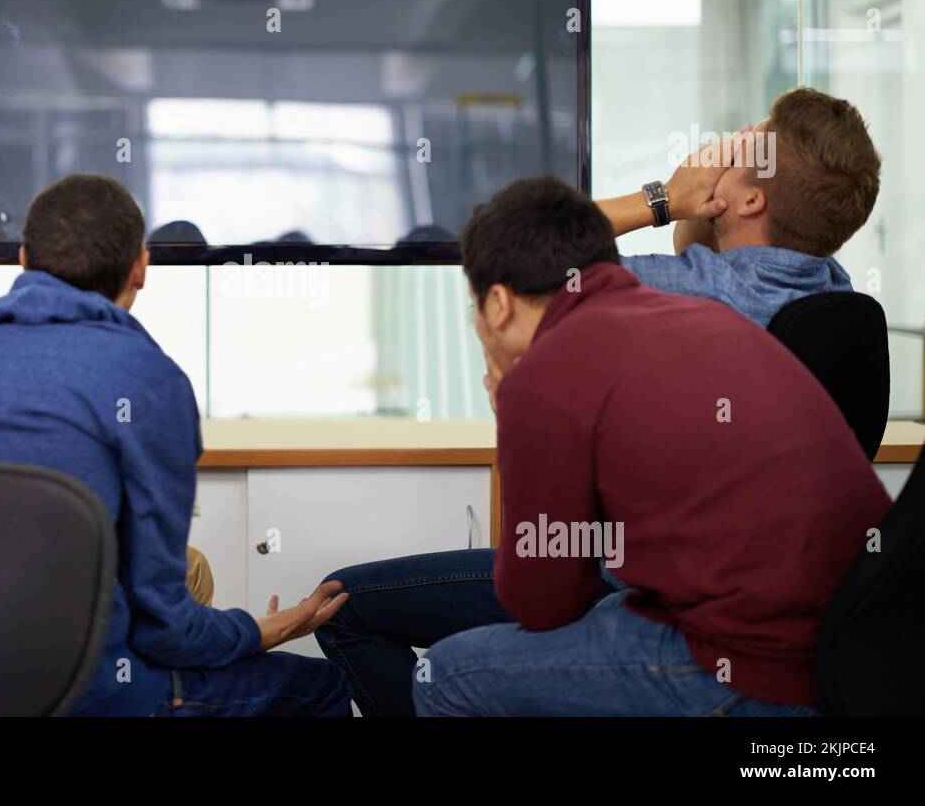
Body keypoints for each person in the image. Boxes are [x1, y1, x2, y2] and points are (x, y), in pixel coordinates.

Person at [316, 88, 884, 716]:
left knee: (438, 676)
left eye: (747, 145)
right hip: (840, 630)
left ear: (499, 304)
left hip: (726, 643)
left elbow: (530, 249)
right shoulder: (832, 297)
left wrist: (666, 199)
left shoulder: (671, 300)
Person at [0, 174, 352, 716]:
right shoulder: (149, 381)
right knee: (322, 687)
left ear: (22, 261)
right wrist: (260, 630)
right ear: (140, 267)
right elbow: (165, 632)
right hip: (80, 691)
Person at [422, 177, 884, 714]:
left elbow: (542, 604)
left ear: (497, 304)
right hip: (865, 641)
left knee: (443, 675)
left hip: (763, 670)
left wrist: (513, 418)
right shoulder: (706, 315)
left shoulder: (544, 378)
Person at [598, 86, 881, 328]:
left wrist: (667, 198)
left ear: (751, 201)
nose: (720, 158)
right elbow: (702, 251)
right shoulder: (832, 283)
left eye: (736, 154)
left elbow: (556, 256)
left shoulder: (702, 288)